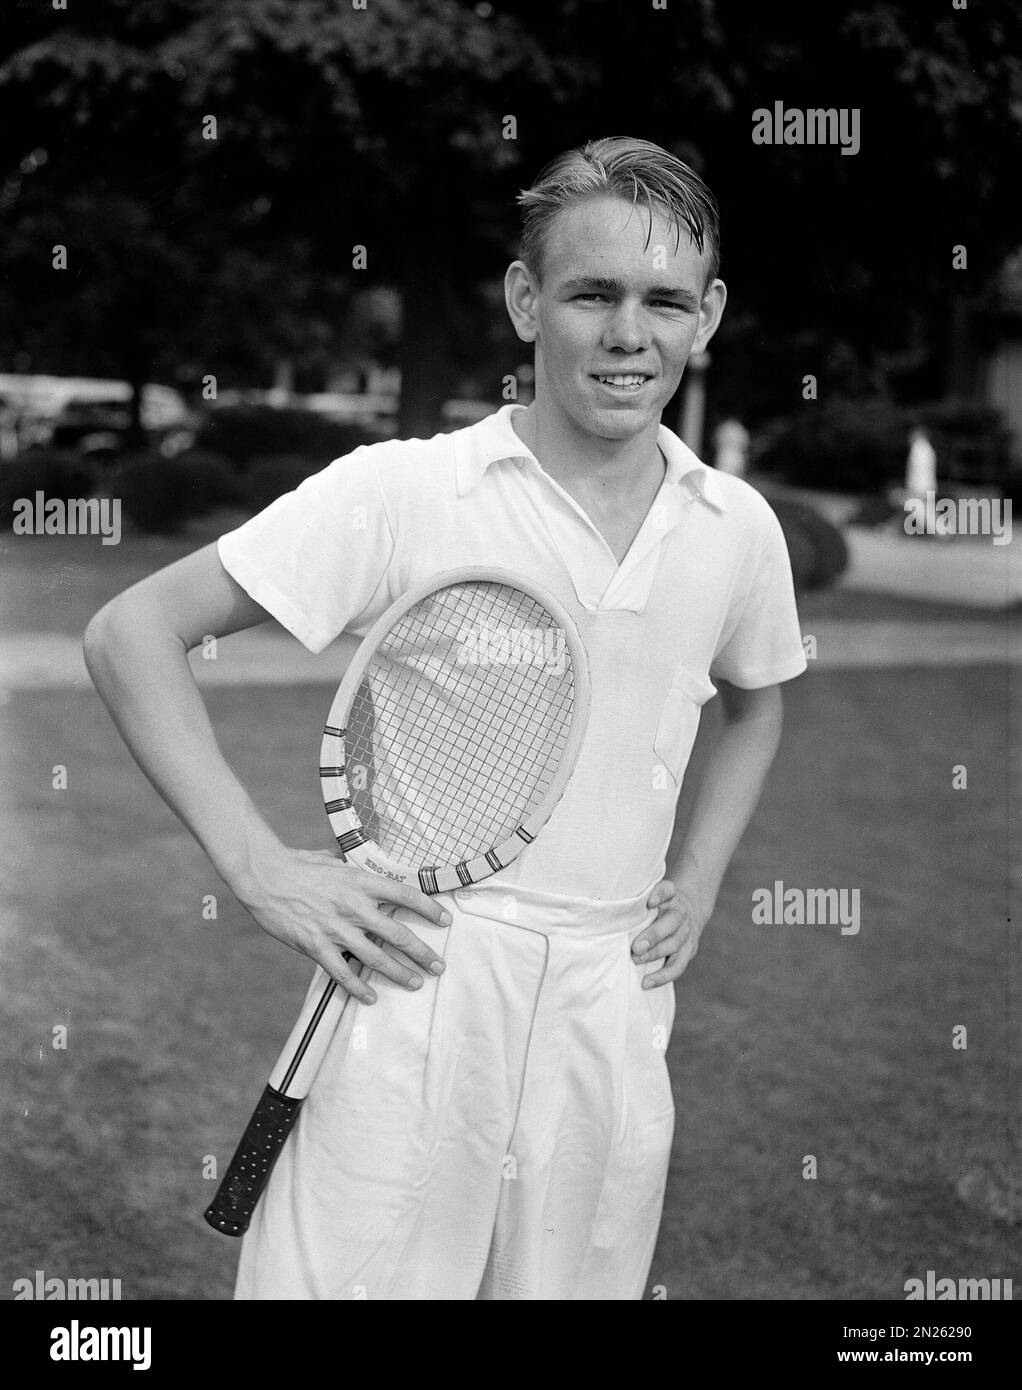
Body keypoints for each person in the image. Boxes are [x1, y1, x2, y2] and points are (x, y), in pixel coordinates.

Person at [85, 136, 807, 1300]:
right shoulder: (404, 489)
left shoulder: (736, 527)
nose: (630, 335)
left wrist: (703, 875)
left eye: (664, 300)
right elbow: (133, 632)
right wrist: (261, 867)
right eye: (591, 295)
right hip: (417, 968)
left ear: (708, 314)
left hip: (612, 994)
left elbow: (758, 705)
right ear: (526, 301)